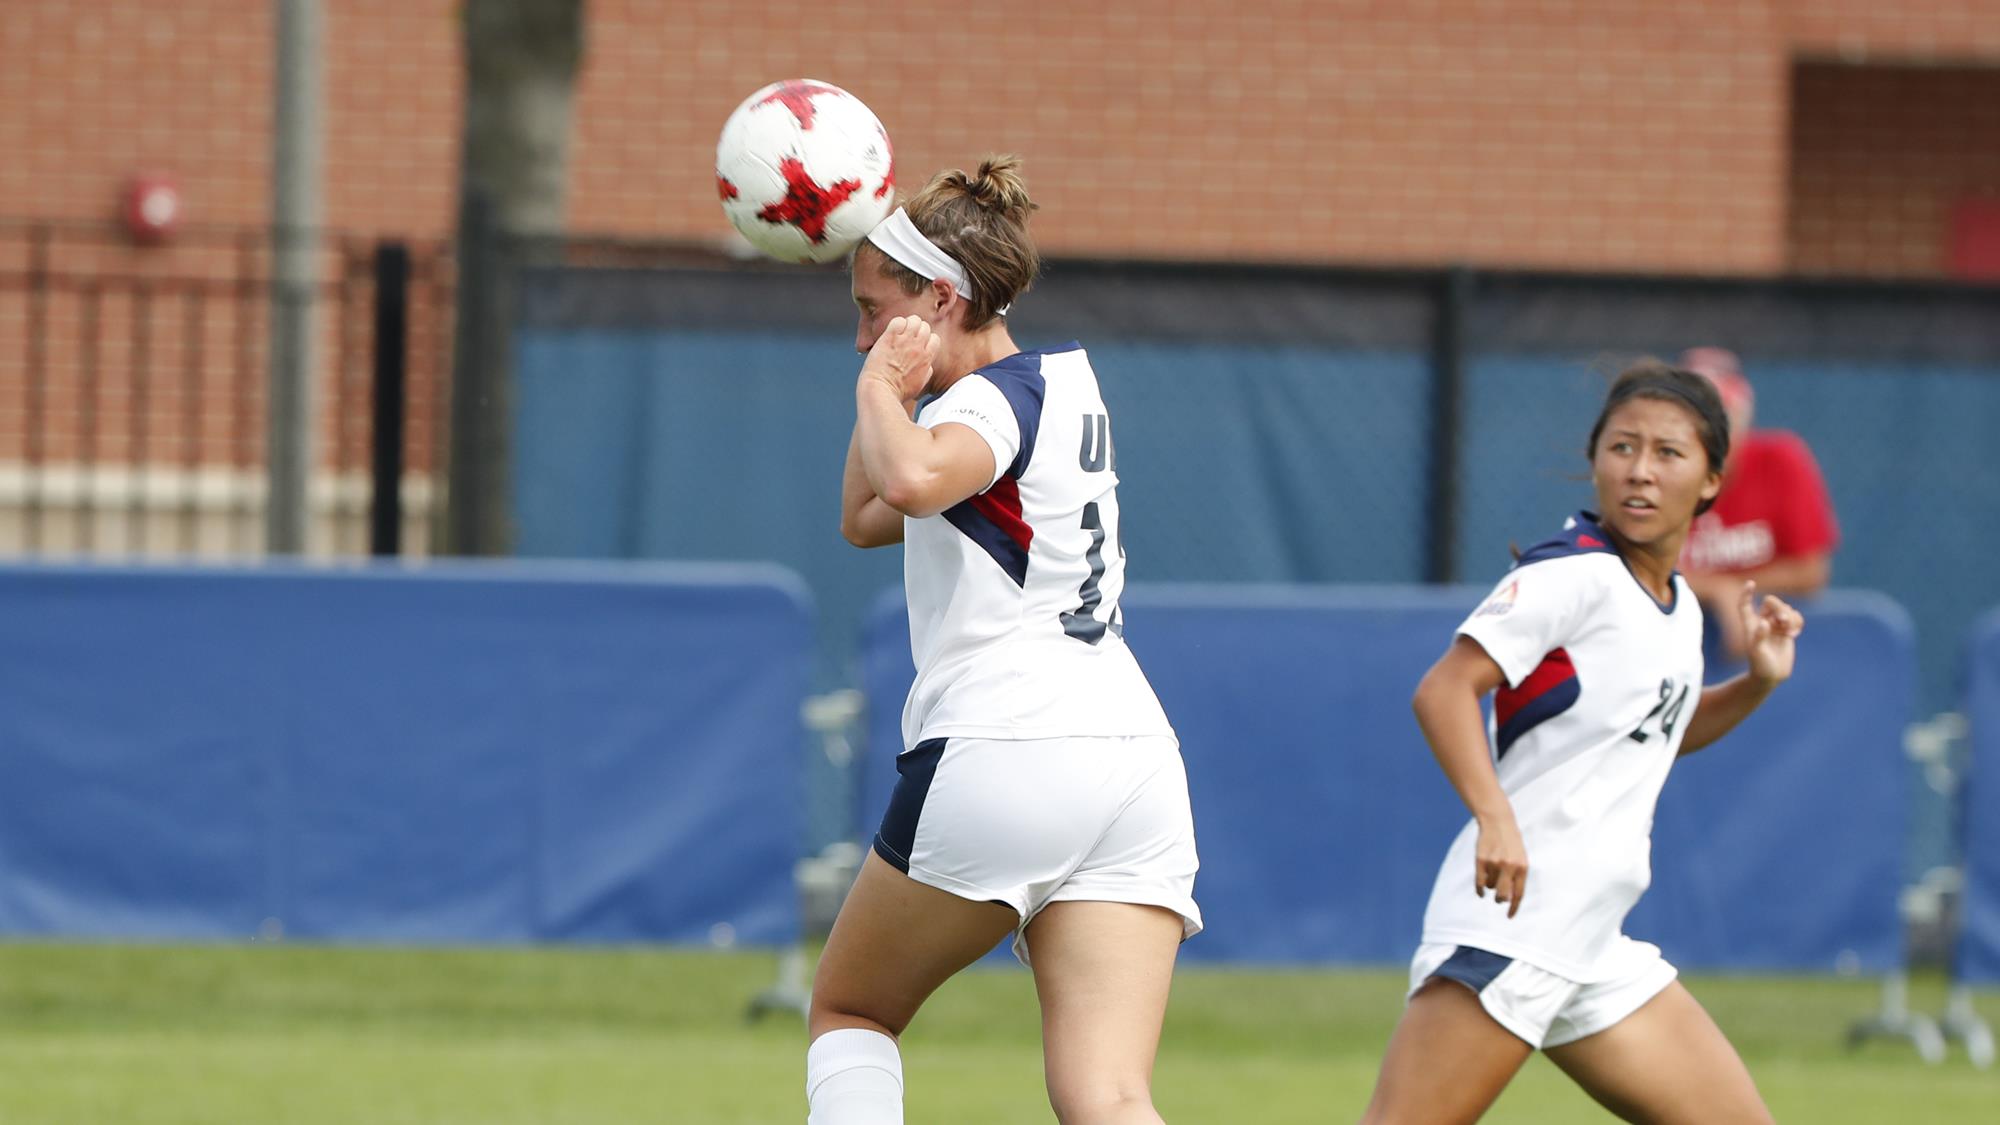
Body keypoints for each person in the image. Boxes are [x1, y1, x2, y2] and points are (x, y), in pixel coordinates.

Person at [805, 156, 1200, 1125]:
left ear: (940, 299)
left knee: (850, 1010)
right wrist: (889, 392)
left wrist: (877, 386)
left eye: (873, 309)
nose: (862, 335)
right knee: (1106, 1094)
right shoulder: (1057, 390)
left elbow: (900, 484)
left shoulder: (992, 399)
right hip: (1134, 767)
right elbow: (863, 513)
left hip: (1012, 744)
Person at [1360, 362, 1805, 1125]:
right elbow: (1442, 690)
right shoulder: (1573, 574)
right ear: (1595, 459)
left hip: (1594, 935)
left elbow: (1661, 732)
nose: (1640, 469)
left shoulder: (1674, 611)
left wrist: (1756, 683)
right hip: (1516, 920)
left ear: (1710, 481)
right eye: (1622, 447)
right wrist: (1494, 816)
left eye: (1669, 452)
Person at [1677, 346, 1839, 660]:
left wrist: (1733, 590)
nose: (1711, 435)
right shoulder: (1656, 474)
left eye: (1723, 418)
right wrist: (1718, 591)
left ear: (1743, 416)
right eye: (1696, 420)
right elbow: (1639, 572)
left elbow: (1811, 572)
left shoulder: (1781, 459)